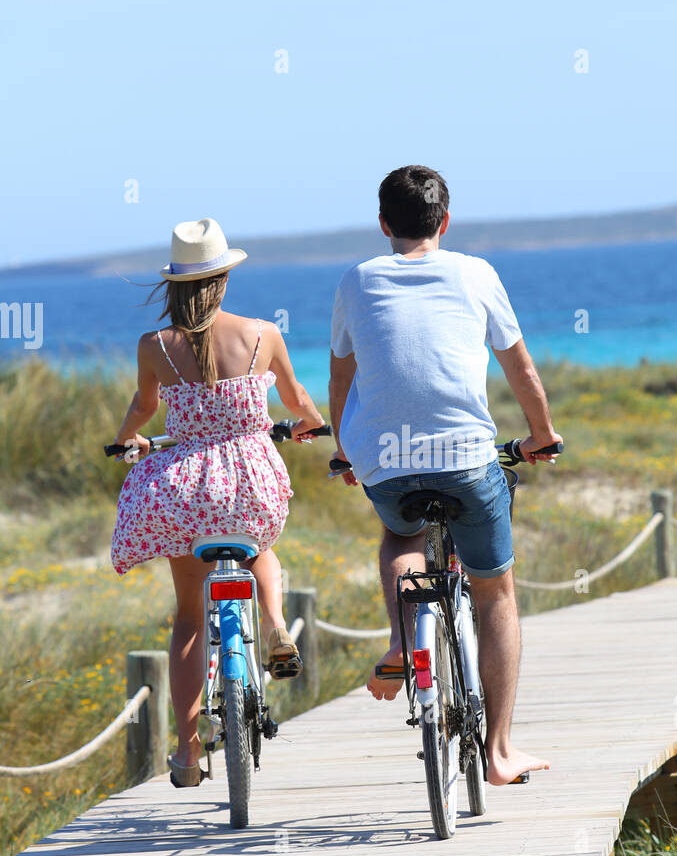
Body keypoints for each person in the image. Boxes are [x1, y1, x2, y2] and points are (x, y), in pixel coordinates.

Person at [328, 166, 561, 787]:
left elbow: (341, 382)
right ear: (446, 222)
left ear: (383, 225)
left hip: (384, 460)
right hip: (466, 459)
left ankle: (406, 641)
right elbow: (521, 370)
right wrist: (541, 436)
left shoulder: (357, 280)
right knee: (496, 594)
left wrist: (350, 452)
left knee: (401, 539)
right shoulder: (476, 273)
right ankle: (499, 752)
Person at [110, 217, 326, 787]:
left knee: (187, 617)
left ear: (176, 285)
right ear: (223, 279)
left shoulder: (155, 345)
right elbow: (296, 396)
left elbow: (142, 409)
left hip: (185, 488)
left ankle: (185, 752)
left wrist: (128, 437)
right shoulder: (261, 335)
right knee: (263, 549)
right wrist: (312, 423)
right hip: (250, 479)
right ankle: (276, 622)